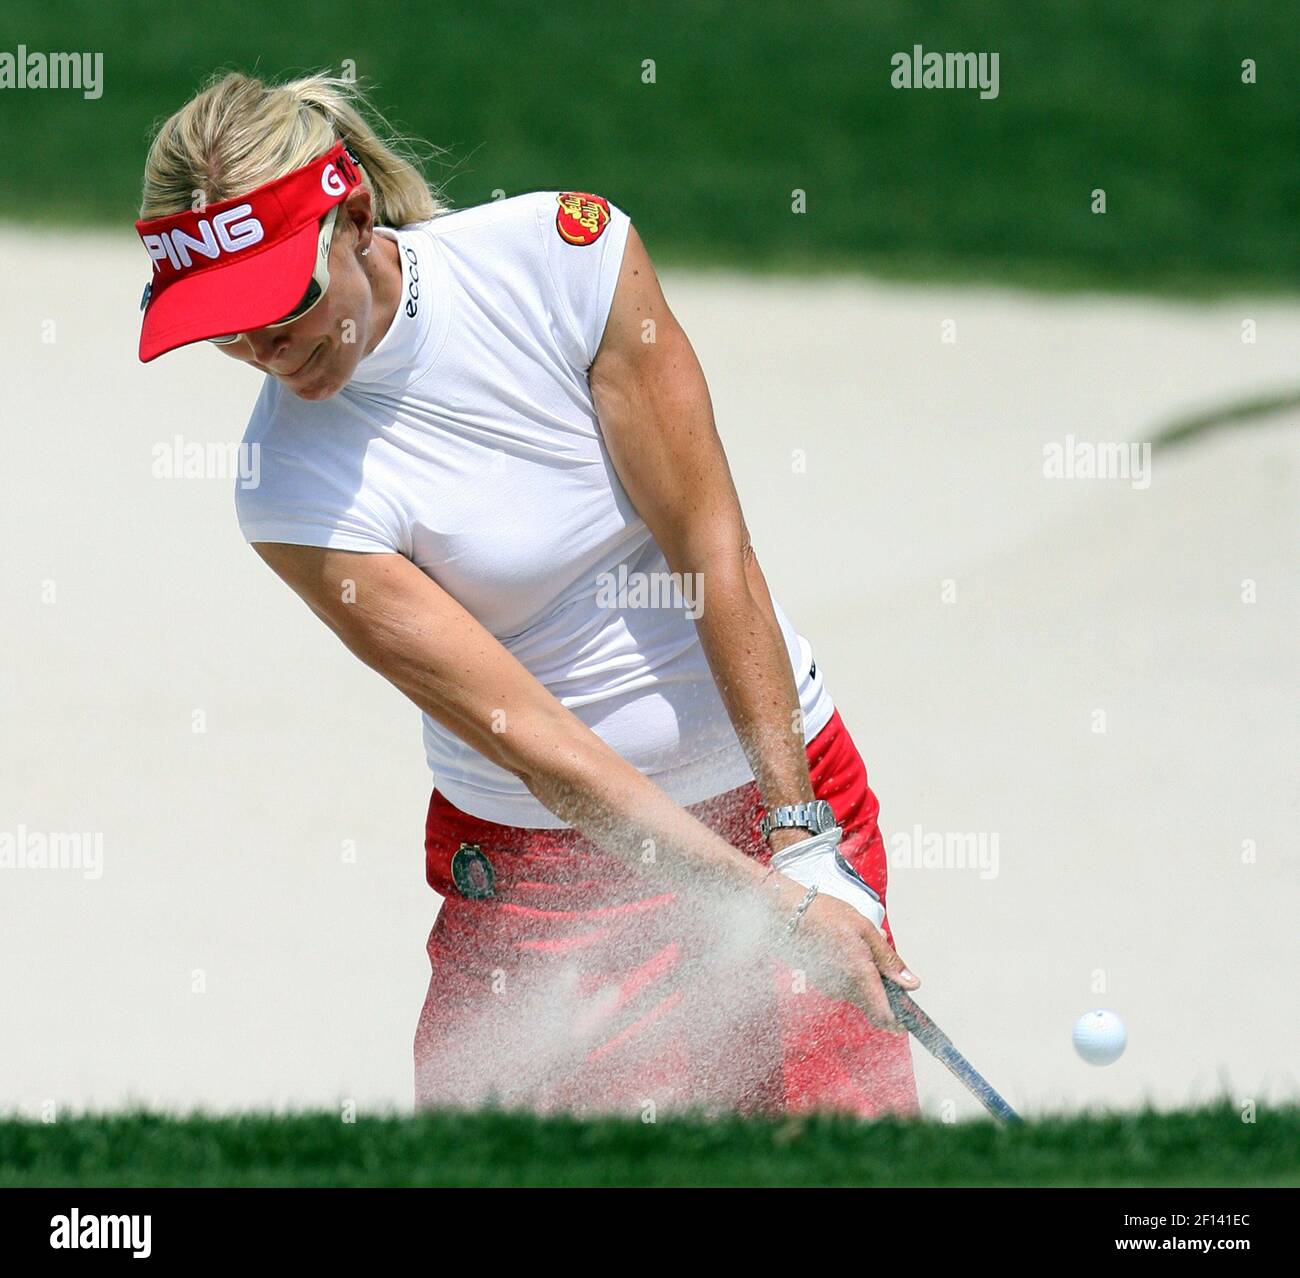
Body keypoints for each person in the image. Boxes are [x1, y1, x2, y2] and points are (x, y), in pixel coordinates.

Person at [135, 70, 920, 1118]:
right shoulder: (287, 489)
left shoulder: (564, 257)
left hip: (785, 793)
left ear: (354, 214)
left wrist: (795, 838)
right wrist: (767, 907)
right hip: (553, 873)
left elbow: (711, 543)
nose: (260, 351)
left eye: (277, 304)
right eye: (221, 326)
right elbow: (538, 740)